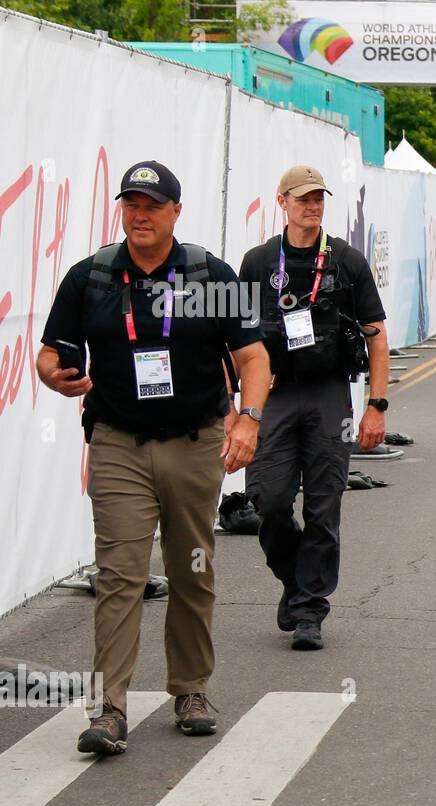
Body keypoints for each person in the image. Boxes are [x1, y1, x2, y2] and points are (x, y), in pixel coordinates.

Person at [36, 160, 271, 754]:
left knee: (192, 567)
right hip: (117, 442)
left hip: (196, 443)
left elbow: (253, 359)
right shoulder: (89, 278)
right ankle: (109, 707)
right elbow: (48, 353)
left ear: (175, 212)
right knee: (120, 575)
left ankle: (190, 688)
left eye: (152, 205)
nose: (140, 215)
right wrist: (55, 376)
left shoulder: (210, 275)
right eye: (131, 204)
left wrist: (248, 418)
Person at [238, 165, 389, 651]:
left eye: (319, 198)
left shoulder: (347, 261)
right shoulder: (258, 262)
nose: (313, 206)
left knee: (325, 506)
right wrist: (235, 408)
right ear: (281, 201)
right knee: (269, 500)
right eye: (303, 198)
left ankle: (309, 610)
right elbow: (235, 342)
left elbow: (377, 336)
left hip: (329, 395)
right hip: (273, 393)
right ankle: (296, 580)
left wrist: (376, 406)